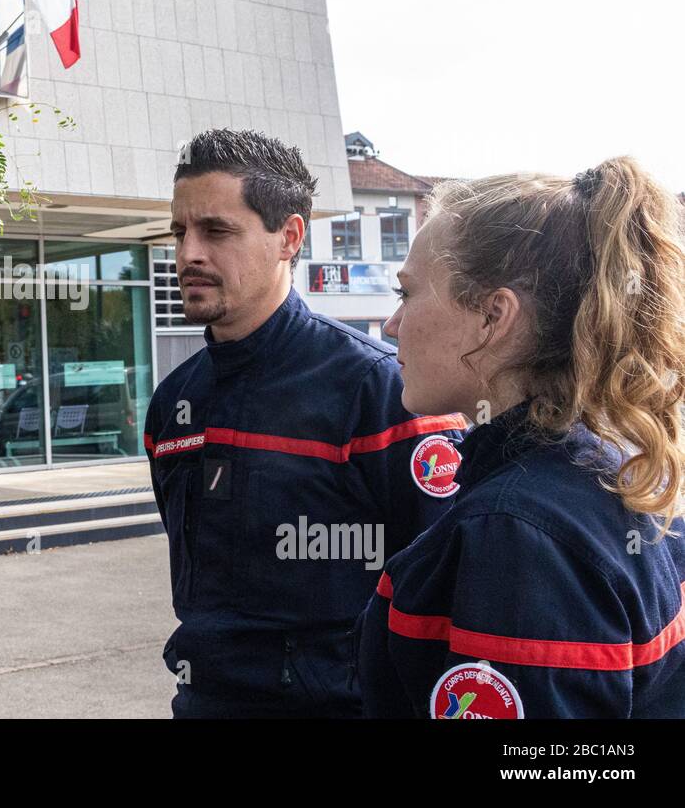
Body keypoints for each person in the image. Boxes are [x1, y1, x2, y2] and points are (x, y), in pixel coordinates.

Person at [146, 128, 466, 718]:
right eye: (180, 231)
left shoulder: (383, 391)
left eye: (216, 230)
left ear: (289, 237)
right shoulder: (173, 403)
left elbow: (450, 593)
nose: (189, 253)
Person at [359, 158, 685, 718]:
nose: (391, 325)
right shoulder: (607, 465)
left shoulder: (518, 534)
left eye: (406, 293)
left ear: (492, 317)